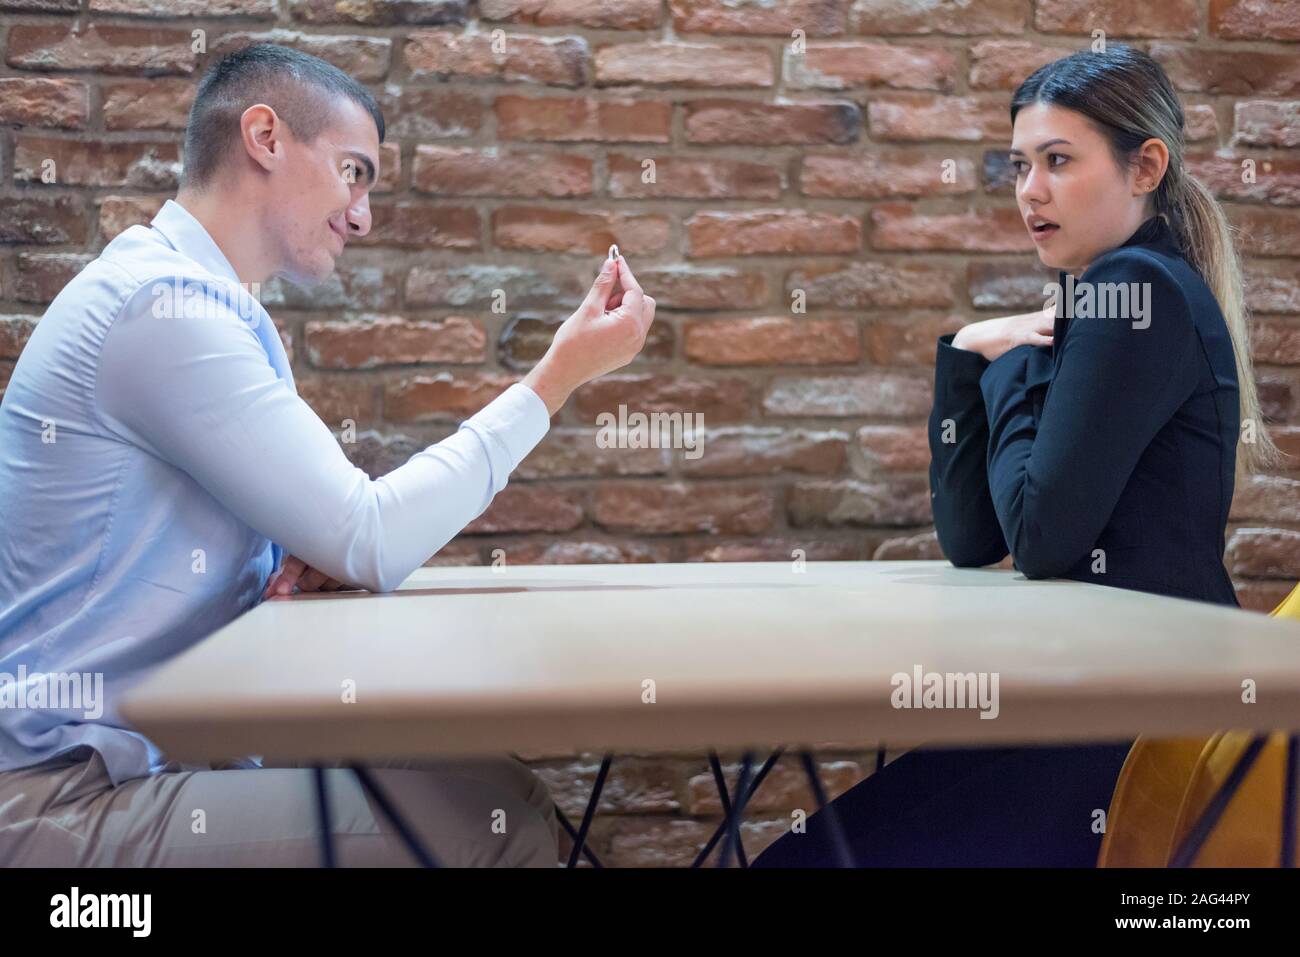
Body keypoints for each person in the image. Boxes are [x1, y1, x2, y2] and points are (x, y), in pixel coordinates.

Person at [0, 44, 656, 866]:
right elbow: (369, 530)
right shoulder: (160, 309)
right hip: (61, 800)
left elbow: (338, 532)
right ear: (265, 138)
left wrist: (301, 551)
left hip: (148, 759)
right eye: (354, 172)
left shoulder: (206, 306)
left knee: (503, 792)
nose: (362, 215)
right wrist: (558, 377)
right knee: (497, 824)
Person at [753, 45, 1276, 868]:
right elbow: (974, 539)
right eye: (1019, 165)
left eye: (1059, 162)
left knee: (801, 861)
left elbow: (1038, 536)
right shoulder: (1121, 288)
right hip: (1093, 699)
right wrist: (966, 355)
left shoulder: (1131, 292)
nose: (1030, 191)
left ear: (1145, 167)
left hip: (1139, 733)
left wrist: (1014, 367)